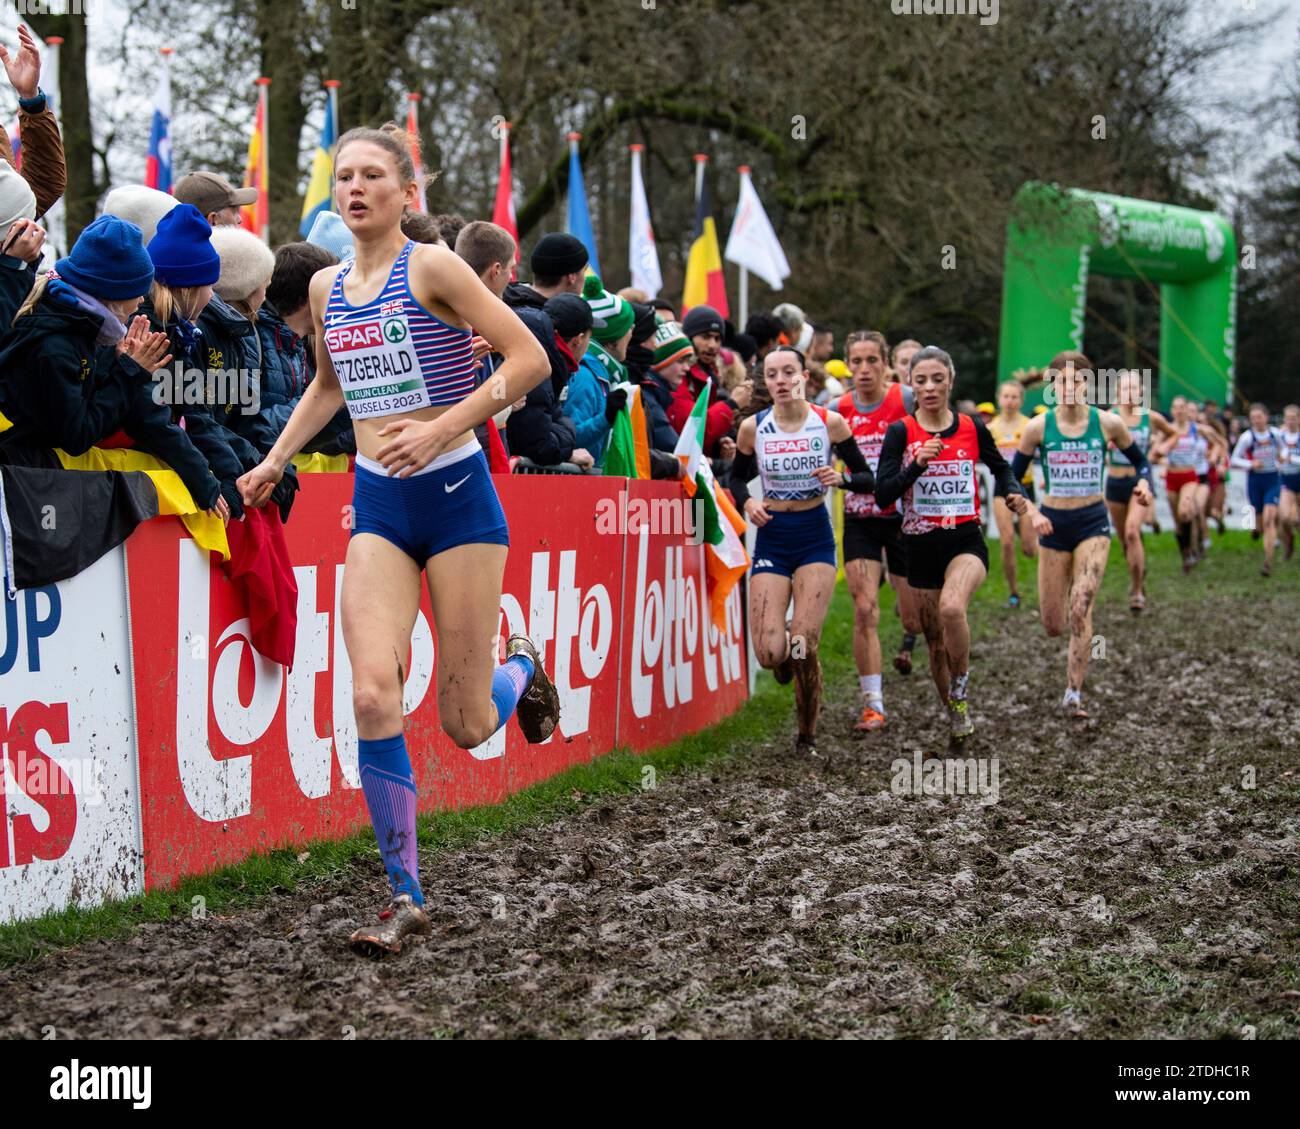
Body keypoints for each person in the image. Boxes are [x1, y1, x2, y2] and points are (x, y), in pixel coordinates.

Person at [237, 122, 559, 956]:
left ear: (406, 193)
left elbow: (529, 361)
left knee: (460, 721)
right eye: (344, 175)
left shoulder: (436, 267)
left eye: (373, 175)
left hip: (457, 498)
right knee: (374, 693)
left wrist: (442, 425)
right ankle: (405, 893)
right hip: (379, 506)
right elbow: (328, 385)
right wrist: (275, 457)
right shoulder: (325, 290)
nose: (355, 188)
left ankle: (518, 666)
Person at [0, 215, 230, 523]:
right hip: (23, 483)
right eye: (137, 291)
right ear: (112, 293)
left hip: (35, 477)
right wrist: (128, 372)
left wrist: (118, 367)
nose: (140, 301)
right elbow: (77, 434)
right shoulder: (56, 343)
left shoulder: (87, 328)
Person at [874, 346, 1028, 742]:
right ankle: (956, 712)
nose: (929, 388)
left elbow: (1000, 467)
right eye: (921, 380)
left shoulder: (972, 427)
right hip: (919, 546)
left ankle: (960, 688)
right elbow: (883, 494)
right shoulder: (901, 433)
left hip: (964, 538)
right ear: (910, 384)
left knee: (952, 608)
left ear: (950, 382)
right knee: (934, 642)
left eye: (937, 379)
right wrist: (917, 465)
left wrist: (1011, 491)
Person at [728, 346, 876, 756]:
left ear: (803, 377)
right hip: (773, 536)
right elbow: (737, 480)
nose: (780, 381)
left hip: (814, 536)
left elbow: (867, 477)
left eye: (788, 372)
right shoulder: (752, 429)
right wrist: (748, 502)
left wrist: (841, 478)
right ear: (765, 384)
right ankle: (786, 658)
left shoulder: (829, 423)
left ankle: (806, 734)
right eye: (771, 374)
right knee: (770, 653)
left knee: (801, 645)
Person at [1011, 352, 1154, 719]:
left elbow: (1141, 460)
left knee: (1081, 605)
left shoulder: (1108, 423)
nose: (1070, 388)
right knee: (1054, 624)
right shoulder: (1038, 428)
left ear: (1088, 385)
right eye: (1062, 382)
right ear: (1052, 387)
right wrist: (1033, 511)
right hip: (1053, 524)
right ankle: (1075, 661)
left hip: (1093, 521)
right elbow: (1011, 479)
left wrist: (1144, 482)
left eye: (1077, 382)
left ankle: (1074, 692)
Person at [836, 329, 919, 731]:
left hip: (904, 519)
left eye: (873, 361)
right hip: (861, 520)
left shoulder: (904, 400)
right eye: (857, 361)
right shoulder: (837, 409)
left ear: (886, 364)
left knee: (914, 619)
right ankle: (873, 704)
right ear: (848, 364)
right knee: (865, 608)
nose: (865, 369)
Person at [1103, 370, 1174, 611]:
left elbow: (1173, 434)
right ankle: (1139, 575)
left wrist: (1160, 449)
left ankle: (1136, 591)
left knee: (1133, 532)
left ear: (1142, 392)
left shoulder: (1150, 417)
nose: (1129, 394)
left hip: (1140, 483)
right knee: (1125, 540)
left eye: (1134, 389)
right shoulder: (1108, 418)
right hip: (1114, 483)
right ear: (1117, 392)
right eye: (1125, 389)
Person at [560, 273, 633, 468]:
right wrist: (605, 419)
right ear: (614, 337)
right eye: (627, 327)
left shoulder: (604, 374)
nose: (631, 332)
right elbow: (569, 438)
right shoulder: (586, 376)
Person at [1150, 396, 1226, 573]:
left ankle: (1194, 547)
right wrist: (1160, 456)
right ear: (1171, 411)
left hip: (1190, 476)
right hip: (1171, 476)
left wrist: (1215, 457)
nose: (1179, 410)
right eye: (1175, 407)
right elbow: (1153, 455)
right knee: (1178, 522)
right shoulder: (1166, 432)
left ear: (1187, 410)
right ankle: (1186, 553)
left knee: (1186, 512)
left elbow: (1220, 443)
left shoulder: (1197, 429)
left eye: (1182, 407)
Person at [986, 380, 1039, 607]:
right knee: (1006, 541)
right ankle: (1014, 592)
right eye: (1006, 396)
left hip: (1025, 486)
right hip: (1002, 488)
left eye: (1014, 397)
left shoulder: (1030, 426)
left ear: (1021, 400)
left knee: (1029, 548)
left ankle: (1053, 573)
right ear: (999, 399)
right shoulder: (990, 429)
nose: (1009, 401)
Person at [1230, 403, 1286, 577]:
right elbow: (1234, 459)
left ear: (1266, 417)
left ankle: (1267, 562)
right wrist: (1250, 464)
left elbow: (1284, 450)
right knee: (1260, 522)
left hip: (1272, 479)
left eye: (1259, 417)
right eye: (1253, 418)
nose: (1257, 421)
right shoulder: (1247, 437)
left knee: (1270, 519)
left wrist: (1281, 458)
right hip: (1255, 480)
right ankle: (1256, 529)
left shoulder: (1275, 434)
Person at [173, 170, 258, 229]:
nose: (240, 219)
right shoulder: (232, 254)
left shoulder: (165, 253)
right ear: (213, 220)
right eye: (234, 211)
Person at [1279, 404, 1300, 560]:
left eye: (1293, 418)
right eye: (1288, 418)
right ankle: (1289, 540)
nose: (1290, 421)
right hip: (1286, 479)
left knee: (1297, 520)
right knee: (1285, 517)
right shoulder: (1279, 436)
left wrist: (1291, 459)